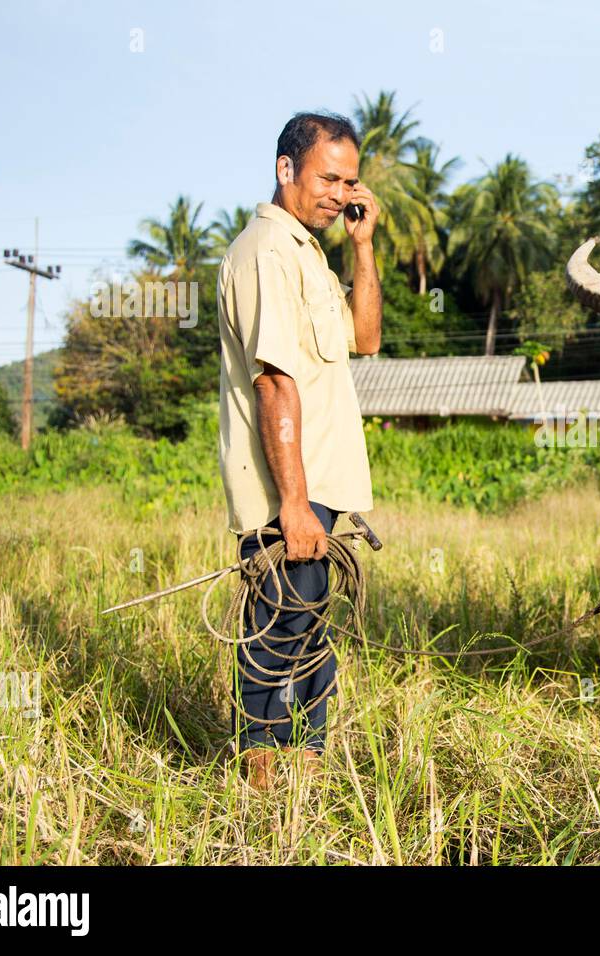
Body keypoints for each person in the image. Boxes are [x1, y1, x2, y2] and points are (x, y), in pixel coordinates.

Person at [216, 111, 382, 790]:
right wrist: (292, 503)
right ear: (286, 169)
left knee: (308, 637)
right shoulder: (265, 251)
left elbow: (365, 338)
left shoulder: (309, 253)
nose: (339, 193)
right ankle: (263, 788)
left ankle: (303, 781)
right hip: (292, 490)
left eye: (349, 181)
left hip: (318, 488)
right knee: (277, 637)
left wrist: (362, 248)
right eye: (326, 178)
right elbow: (274, 382)